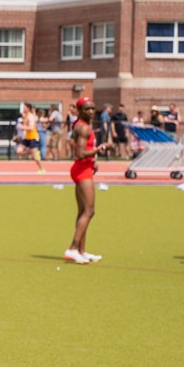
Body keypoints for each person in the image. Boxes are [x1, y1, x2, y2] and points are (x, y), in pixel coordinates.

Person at [65, 98, 103, 264]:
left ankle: (81, 251)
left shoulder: (82, 126)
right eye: (87, 109)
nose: (91, 112)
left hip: (84, 167)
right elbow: (81, 153)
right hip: (82, 170)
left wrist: (92, 160)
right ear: (80, 111)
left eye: (93, 108)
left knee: (83, 212)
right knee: (89, 211)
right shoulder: (83, 127)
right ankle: (72, 248)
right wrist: (99, 149)